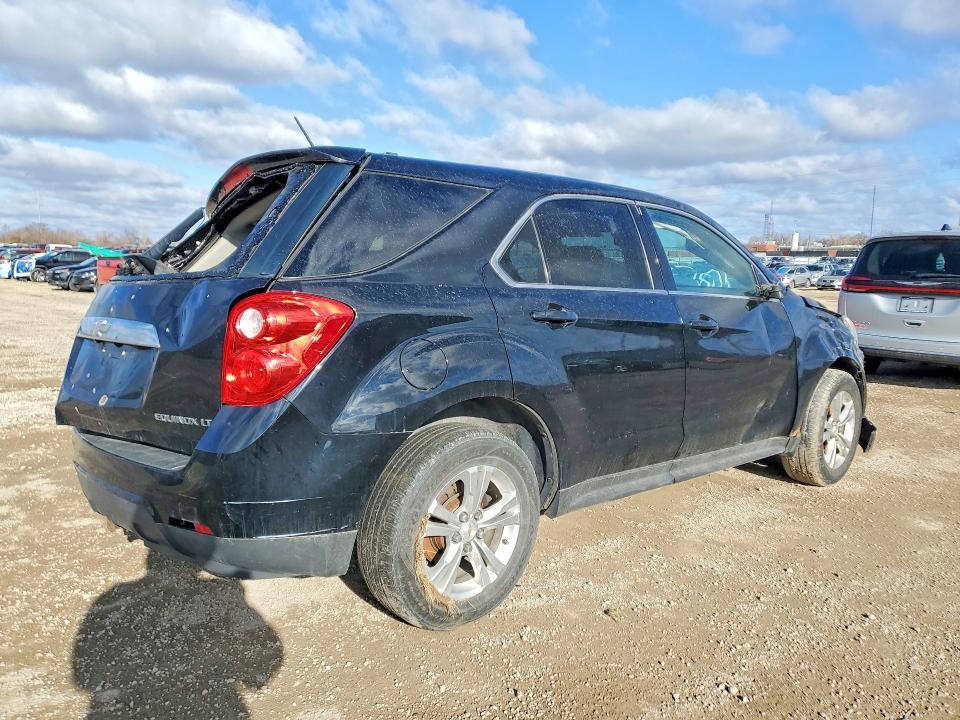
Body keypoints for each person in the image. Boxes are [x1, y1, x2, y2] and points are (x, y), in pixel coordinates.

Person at [72, 549, 283, 719]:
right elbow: (265, 657)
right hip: (208, 709)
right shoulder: (220, 595)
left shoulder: (116, 599)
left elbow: (83, 674)